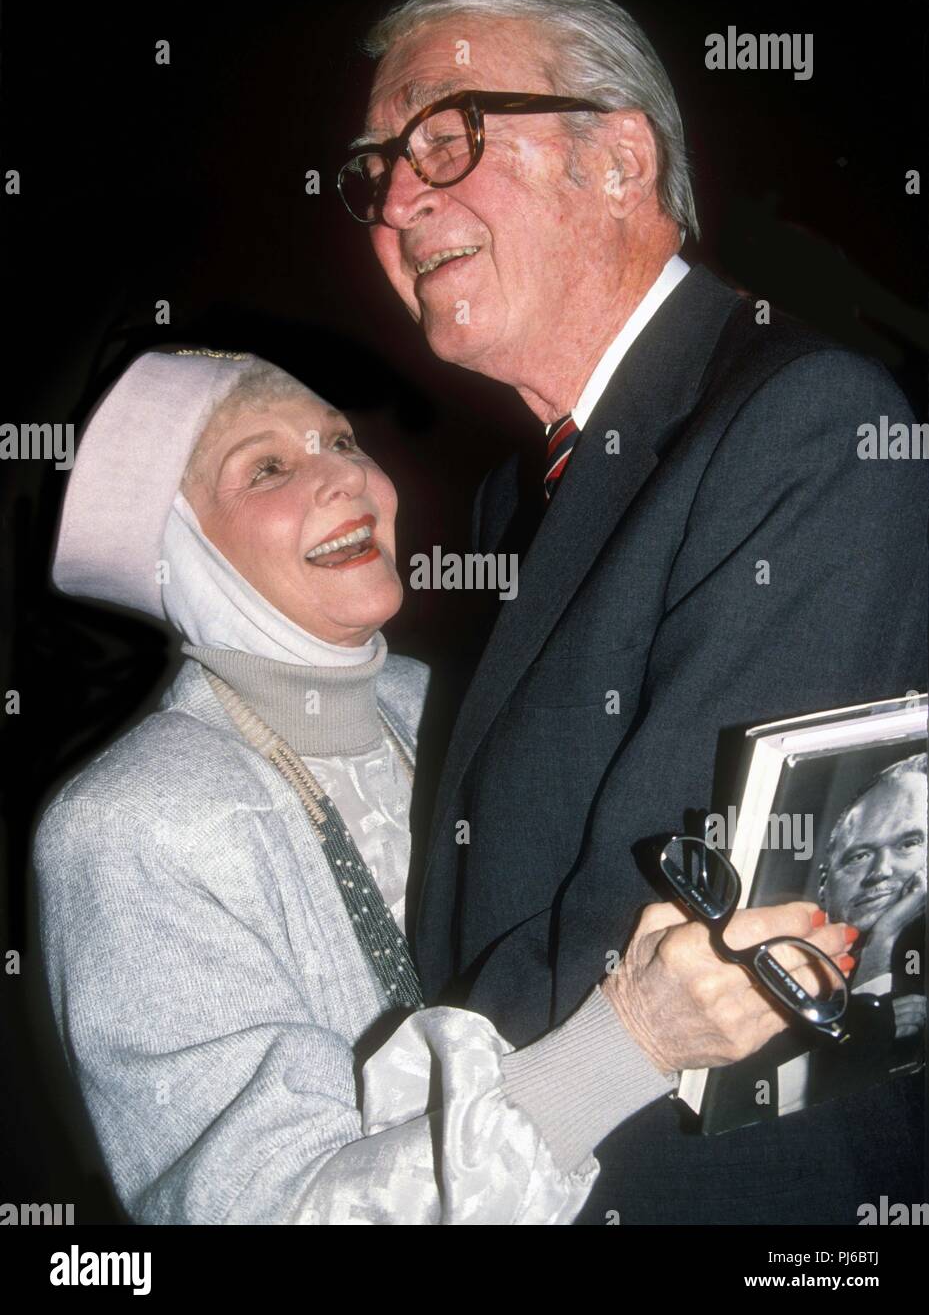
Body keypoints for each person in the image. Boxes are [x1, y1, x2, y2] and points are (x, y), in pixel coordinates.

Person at [341, 0, 929, 1222]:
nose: (395, 197)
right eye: (375, 167)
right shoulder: (520, 496)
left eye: (443, 137)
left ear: (615, 158)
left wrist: (434, 1168)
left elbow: (686, 921)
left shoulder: (803, 428)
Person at [31, 348, 849, 1226]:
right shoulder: (127, 825)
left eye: (340, 440)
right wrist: (626, 1047)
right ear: (180, 547)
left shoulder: (443, 705)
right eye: (266, 466)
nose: (344, 476)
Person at [777, 752, 928, 1114]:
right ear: (825, 885)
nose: (881, 870)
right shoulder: (777, 982)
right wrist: (878, 958)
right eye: (859, 855)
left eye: (908, 843)